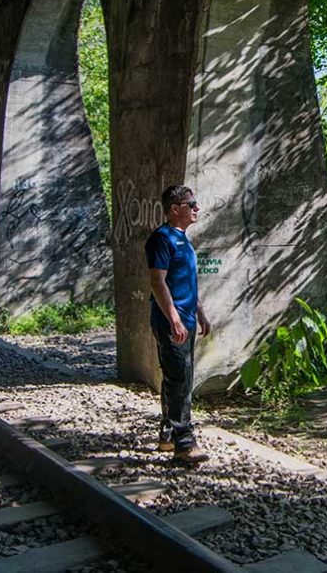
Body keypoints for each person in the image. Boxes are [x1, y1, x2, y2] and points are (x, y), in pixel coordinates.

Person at [145, 184, 211, 465]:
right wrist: (174, 319)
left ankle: (168, 434)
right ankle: (184, 443)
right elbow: (157, 282)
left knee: (177, 377)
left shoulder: (184, 239)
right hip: (171, 322)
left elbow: (186, 281)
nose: (197, 208)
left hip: (186, 319)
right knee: (179, 379)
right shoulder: (162, 238)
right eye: (191, 204)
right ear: (175, 209)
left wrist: (200, 313)